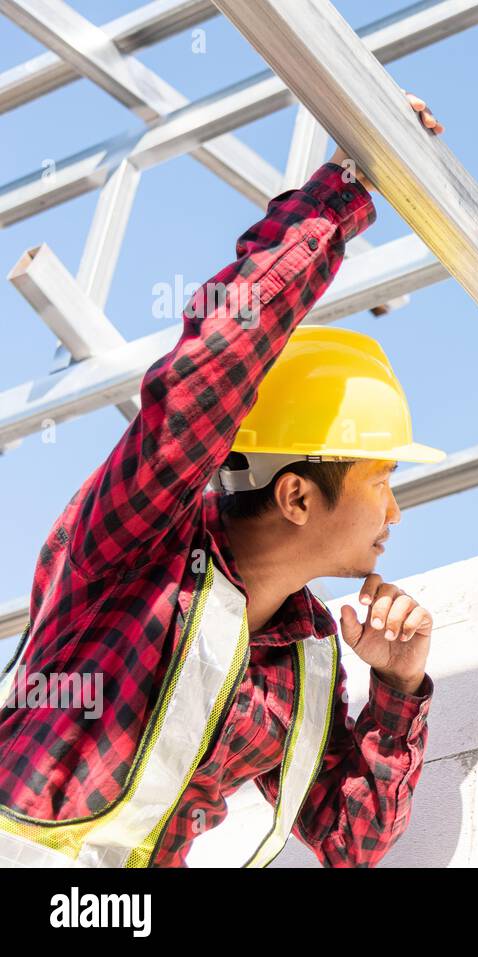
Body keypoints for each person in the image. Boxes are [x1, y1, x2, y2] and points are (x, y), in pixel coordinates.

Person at [0, 93, 446, 868]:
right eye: (381, 479)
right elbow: (215, 361)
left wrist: (399, 687)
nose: (395, 511)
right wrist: (344, 192)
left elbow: (350, 839)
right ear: (297, 494)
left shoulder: (301, 656)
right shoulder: (144, 538)